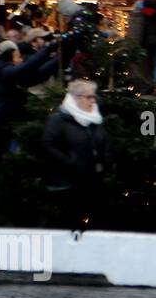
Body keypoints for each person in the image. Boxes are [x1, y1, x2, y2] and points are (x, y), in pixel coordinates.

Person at [0, 38, 60, 173]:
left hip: (2, 119)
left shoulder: (10, 72)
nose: (21, 59)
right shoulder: (5, 70)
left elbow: (39, 74)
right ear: (10, 57)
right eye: (18, 57)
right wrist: (47, 50)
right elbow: (29, 67)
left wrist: (58, 59)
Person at [41, 79, 112, 224]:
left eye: (94, 97)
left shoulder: (94, 119)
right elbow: (48, 145)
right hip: (67, 185)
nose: (93, 101)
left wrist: (106, 159)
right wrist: (70, 162)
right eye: (89, 97)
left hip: (93, 182)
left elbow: (104, 141)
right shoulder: (58, 120)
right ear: (76, 98)